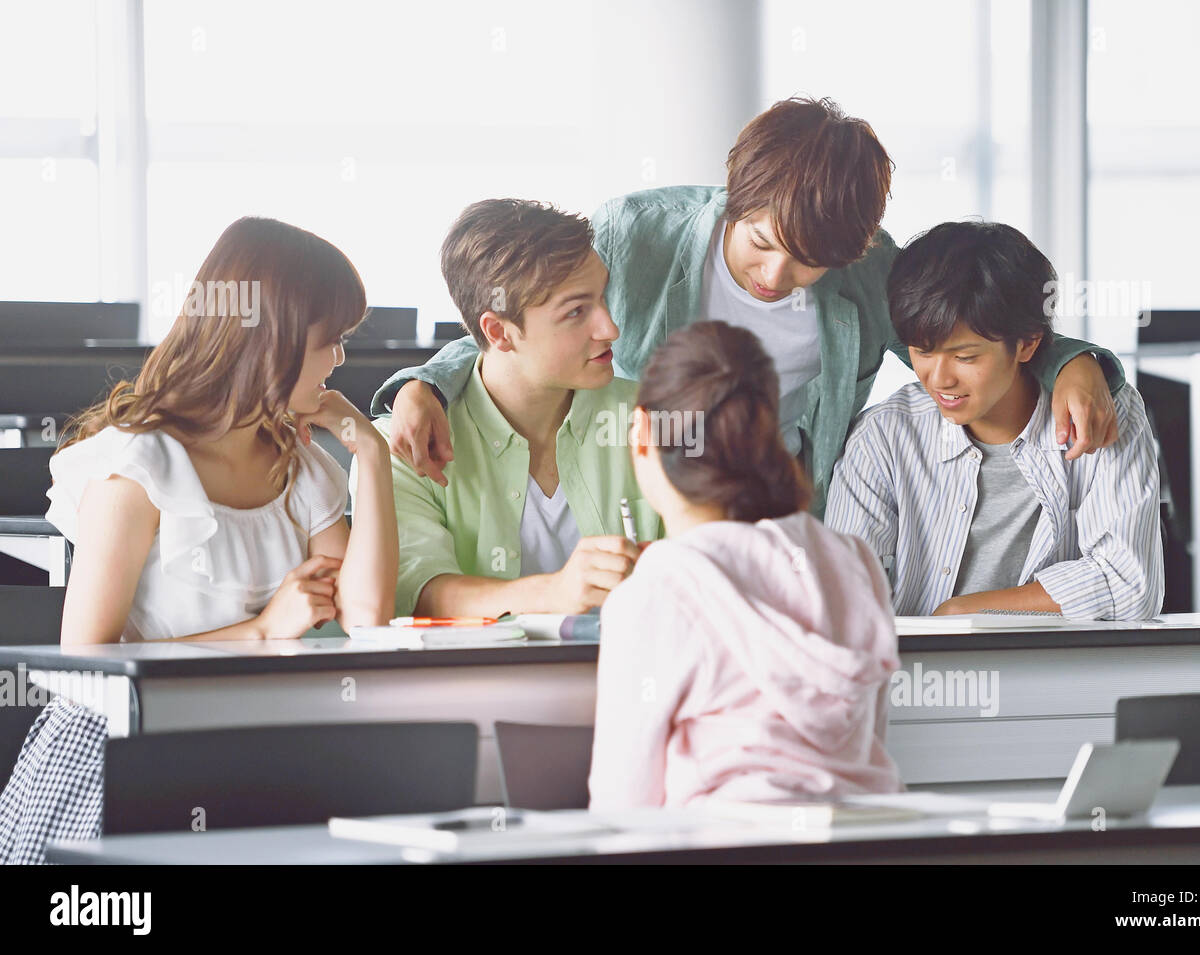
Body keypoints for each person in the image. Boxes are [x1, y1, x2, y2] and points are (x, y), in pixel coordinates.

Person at [371, 96, 1127, 517]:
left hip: (780, 508)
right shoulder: (635, 233)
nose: (777, 274)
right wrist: (426, 382)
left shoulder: (866, 269)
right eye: (762, 242)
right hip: (634, 497)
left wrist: (1076, 363)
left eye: (809, 262)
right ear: (736, 196)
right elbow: (531, 321)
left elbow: (969, 335)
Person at [587, 321, 902, 809]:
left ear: (642, 432)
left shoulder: (658, 591)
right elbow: (872, 736)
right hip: (864, 838)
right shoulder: (853, 561)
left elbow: (624, 805)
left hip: (721, 841)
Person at [46, 217, 398, 644]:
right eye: (331, 339)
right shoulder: (137, 471)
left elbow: (367, 617)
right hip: (155, 695)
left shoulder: (300, 467)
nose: (339, 358)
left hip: (267, 691)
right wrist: (261, 630)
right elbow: (86, 661)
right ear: (271, 340)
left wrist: (372, 452)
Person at [825, 221, 1164, 619]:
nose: (939, 379)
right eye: (922, 352)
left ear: (1027, 343)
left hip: (1058, 662)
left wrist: (960, 613)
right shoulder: (883, 438)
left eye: (965, 357)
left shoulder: (1100, 412)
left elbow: (1130, 585)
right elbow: (839, 598)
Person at [361, 199, 657, 619]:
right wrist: (553, 593)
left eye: (602, 297)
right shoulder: (401, 443)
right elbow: (419, 590)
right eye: (576, 311)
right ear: (499, 331)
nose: (610, 328)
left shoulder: (656, 419)